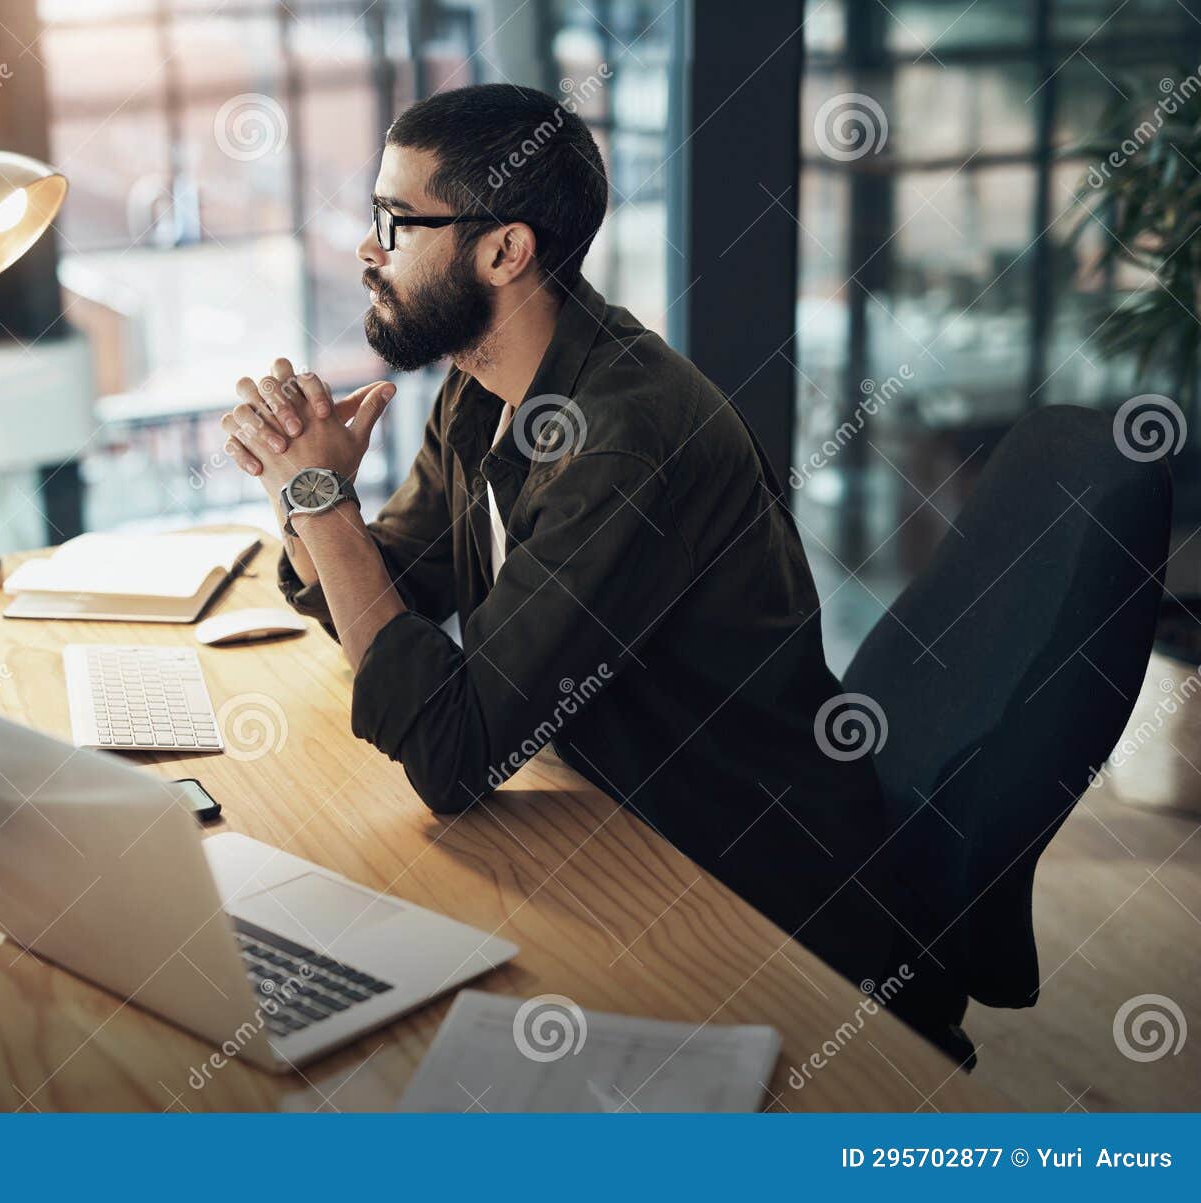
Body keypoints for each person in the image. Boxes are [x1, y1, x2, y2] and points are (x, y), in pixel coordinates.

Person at [218, 83, 970, 1060]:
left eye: (396, 222)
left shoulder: (622, 443)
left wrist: (321, 504)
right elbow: (398, 587)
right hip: (609, 819)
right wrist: (308, 498)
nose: (368, 250)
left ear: (503, 250)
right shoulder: (485, 386)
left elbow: (454, 756)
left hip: (750, 899)